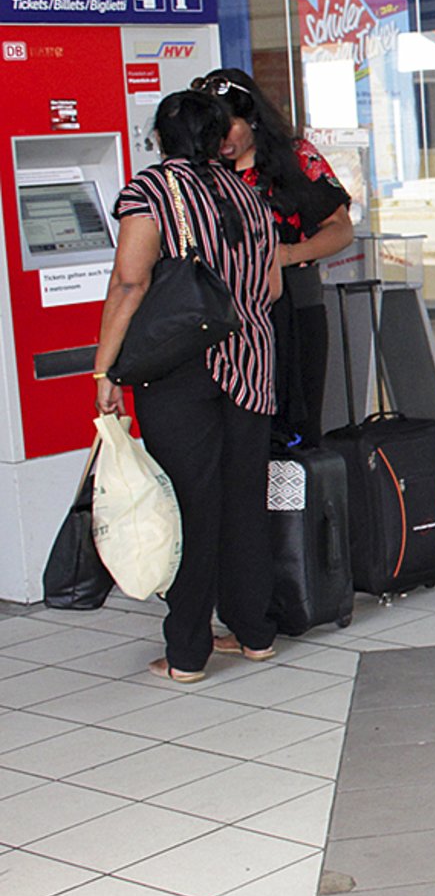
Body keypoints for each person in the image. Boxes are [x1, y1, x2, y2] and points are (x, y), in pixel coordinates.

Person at [92, 90, 282, 683]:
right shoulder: (246, 194)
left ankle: (186, 653)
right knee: (244, 501)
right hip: (251, 364)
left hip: (184, 370)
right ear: (219, 137)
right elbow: (271, 287)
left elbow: (130, 284)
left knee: (190, 506)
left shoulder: (152, 191)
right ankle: (254, 633)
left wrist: (104, 372)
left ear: (159, 137)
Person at [196, 68, 353, 447]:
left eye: (228, 127)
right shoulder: (203, 171)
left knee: (293, 421)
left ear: (251, 117)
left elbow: (340, 229)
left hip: (292, 303)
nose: (220, 140)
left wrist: (285, 255)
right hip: (223, 313)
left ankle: (299, 504)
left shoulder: (296, 158)